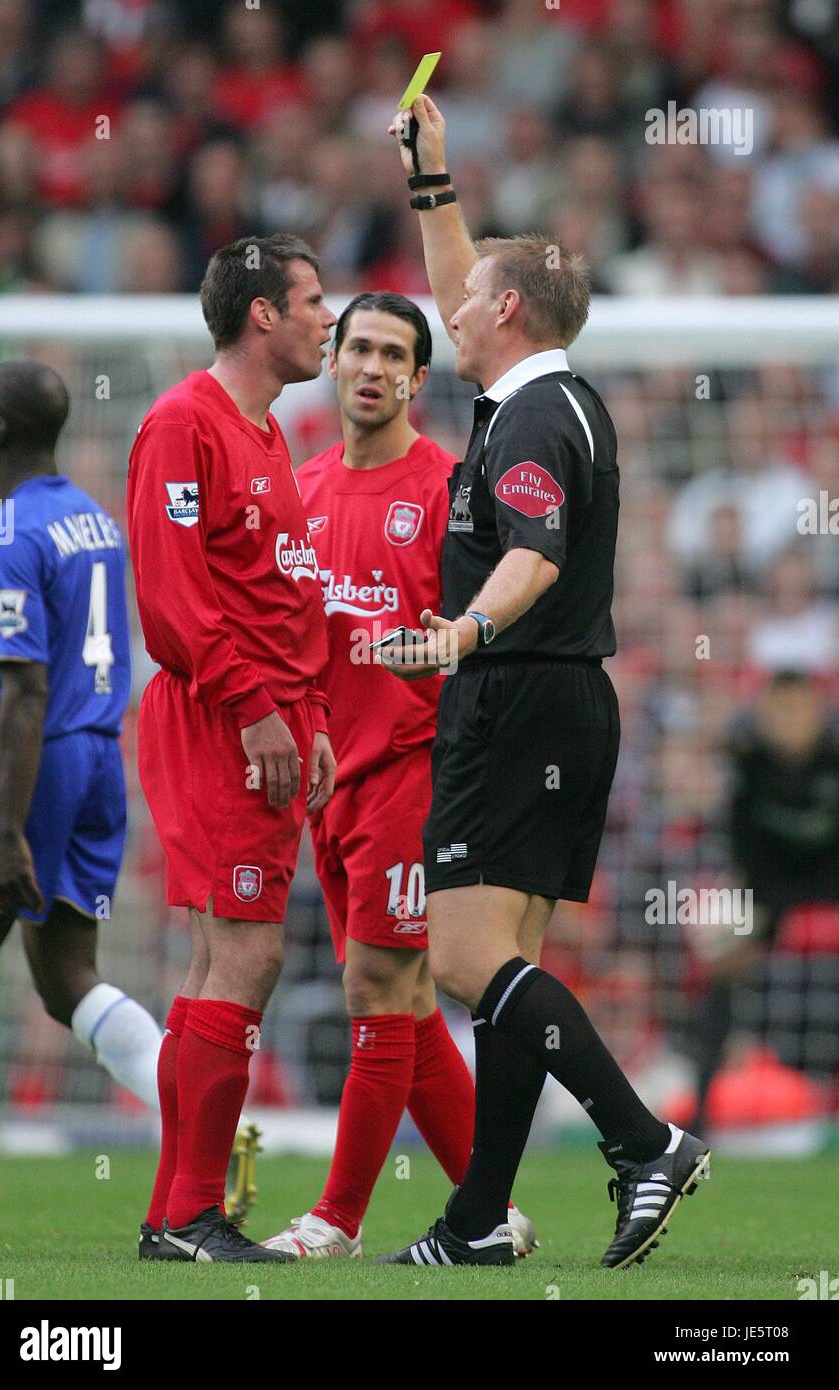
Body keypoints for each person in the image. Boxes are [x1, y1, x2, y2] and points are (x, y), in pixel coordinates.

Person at [377, 95, 710, 1269]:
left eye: (465, 301)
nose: (446, 306)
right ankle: (476, 1221)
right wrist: (433, 182)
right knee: (502, 973)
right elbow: (471, 268)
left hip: (515, 693)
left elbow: (532, 553)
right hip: (562, 700)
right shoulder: (548, 396)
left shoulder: (529, 424)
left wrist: (458, 635)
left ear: (507, 313)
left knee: (463, 958)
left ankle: (643, 1138)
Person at [260, 292, 536, 1258]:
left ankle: (334, 1221)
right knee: (403, 1004)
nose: (372, 368)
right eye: (358, 349)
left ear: (420, 379)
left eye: (393, 356)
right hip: (330, 783)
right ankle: (490, 1212)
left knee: (378, 987)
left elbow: (498, 633)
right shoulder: (305, 487)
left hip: (417, 778)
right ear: (333, 363)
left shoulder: (452, 495)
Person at [127, 234, 338, 1263]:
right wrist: (260, 708)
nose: (326, 318)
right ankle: (190, 1215)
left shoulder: (264, 435)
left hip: (268, 716)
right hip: (221, 717)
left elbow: (282, 593)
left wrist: (317, 716)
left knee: (223, 952)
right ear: (262, 314)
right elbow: (169, 598)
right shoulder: (182, 424)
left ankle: (175, 1210)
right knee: (249, 950)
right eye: (310, 300)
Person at [0, 360, 162, 1240]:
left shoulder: (6, 534)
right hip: (97, 757)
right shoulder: (91, 517)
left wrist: (7, 830)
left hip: (29, 760)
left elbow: (25, 688)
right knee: (66, 978)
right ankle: (204, 1129)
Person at [690, 669, 839, 1135]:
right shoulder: (746, 764)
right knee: (719, 959)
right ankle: (701, 1108)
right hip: (763, 894)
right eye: (781, 711)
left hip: (830, 890)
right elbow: (736, 850)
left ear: (818, 714)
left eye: (799, 710)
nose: (790, 722)